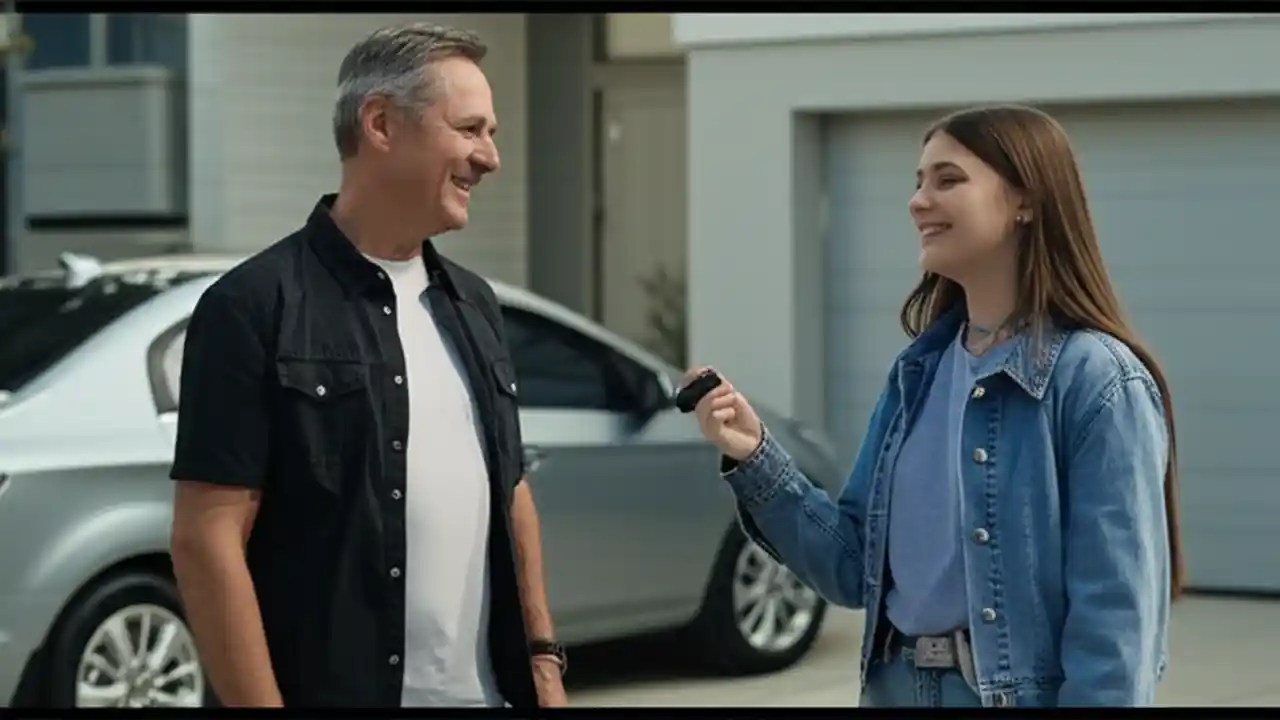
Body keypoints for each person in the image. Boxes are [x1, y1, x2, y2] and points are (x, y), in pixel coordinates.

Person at [687, 104, 1181, 708]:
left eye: (948, 180)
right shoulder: (919, 374)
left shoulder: (1098, 381)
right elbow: (850, 567)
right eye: (918, 182)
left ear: (1026, 199)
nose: (918, 201)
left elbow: (1116, 632)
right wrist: (756, 456)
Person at [168, 24, 567, 709]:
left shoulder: (473, 304)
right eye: (470, 128)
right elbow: (206, 541)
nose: (490, 157)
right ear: (381, 124)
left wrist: (542, 665)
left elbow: (512, 491)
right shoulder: (252, 306)